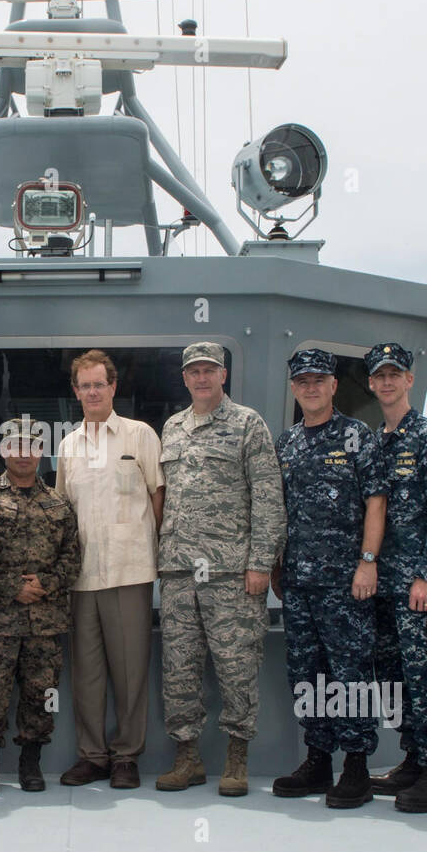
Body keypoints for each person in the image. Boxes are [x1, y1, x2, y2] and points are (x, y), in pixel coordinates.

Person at [156, 342, 285, 797]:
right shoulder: (172, 427)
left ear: (223, 375)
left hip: (232, 574)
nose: (202, 377)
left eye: (210, 370)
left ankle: (236, 758)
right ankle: (187, 757)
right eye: (194, 371)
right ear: (185, 378)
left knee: (236, 667)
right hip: (177, 574)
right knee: (179, 669)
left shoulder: (248, 424)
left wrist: (260, 565)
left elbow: (268, 498)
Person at [271, 348, 388, 809]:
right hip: (298, 582)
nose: (311, 387)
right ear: (294, 389)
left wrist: (367, 561)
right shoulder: (288, 443)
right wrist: (279, 564)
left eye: (320, 379)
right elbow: (280, 509)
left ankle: (356, 765)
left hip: (346, 581)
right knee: (307, 673)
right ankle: (318, 758)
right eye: (303, 381)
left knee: (351, 673)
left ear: (334, 385)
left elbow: (376, 503)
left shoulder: (357, 435)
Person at [55, 350, 164, 790]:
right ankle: (92, 755)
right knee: (87, 672)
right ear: (75, 391)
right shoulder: (68, 444)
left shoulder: (139, 436)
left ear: (114, 387)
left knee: (131, 670)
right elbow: (63, 509)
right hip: (81, 576)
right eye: (85, 385)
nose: (93, 391)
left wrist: (146, 548)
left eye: (100, 383)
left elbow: (158, 498)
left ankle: (125, 757)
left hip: (129, 570)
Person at [363, 342, 427, 813]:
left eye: (394, 374)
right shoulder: (373, 441)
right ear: (370, 383)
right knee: (395, 677)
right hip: (383, 585)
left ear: (409, 379)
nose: (386, 382)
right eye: (379, 375)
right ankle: (412, 759)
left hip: (418, 586)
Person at [0, 419, 81, 794]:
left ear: (41, 451)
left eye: (31, 447)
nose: (23, 454)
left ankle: (32, 763)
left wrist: (47, 584)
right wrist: (13, 587)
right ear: (3, 451)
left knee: (42, 694)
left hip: (45, 621)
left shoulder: (59, 502)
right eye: (14, 446)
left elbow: (73, 556)